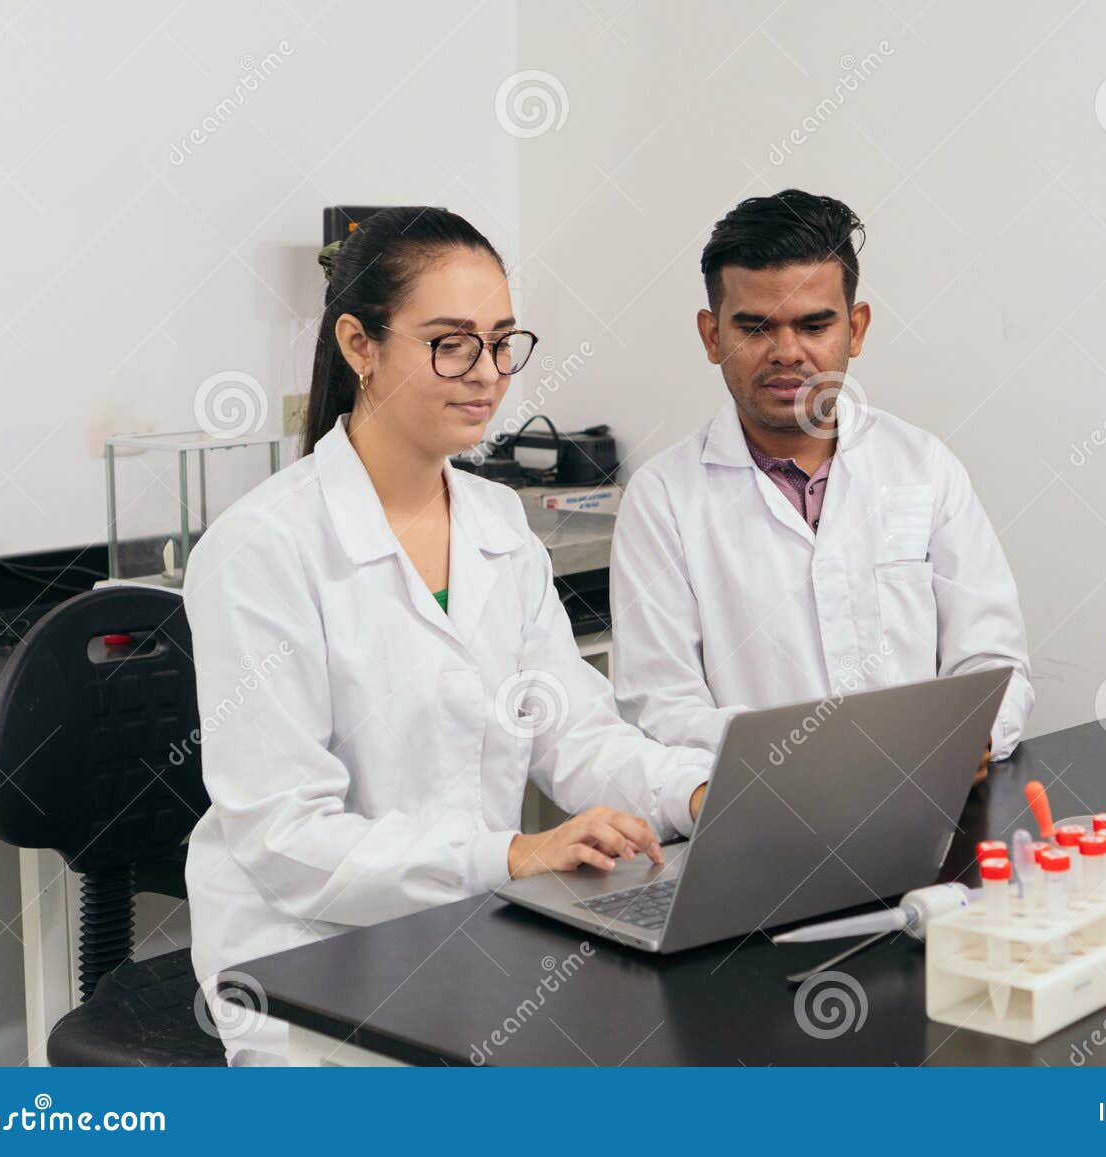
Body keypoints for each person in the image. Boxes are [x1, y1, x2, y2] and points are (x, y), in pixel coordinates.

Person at [182, 207, 710, 1066]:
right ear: (360, 344)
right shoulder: (263, 548)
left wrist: (700, 793)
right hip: (308, 963)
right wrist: (513, 852)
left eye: (502, 342)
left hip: (468, 935)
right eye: (451, 343)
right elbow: (287, 840)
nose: (488, 374)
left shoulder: (499, 523)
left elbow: (574, 729)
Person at [610, 190, 1034, 767]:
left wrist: (972, 734)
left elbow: (992, 661)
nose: (787, 352)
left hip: (932, 804)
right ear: (713, 336)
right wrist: (825, 757)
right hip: (762, 817)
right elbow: (660, 708)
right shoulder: (663, 499)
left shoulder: (923, 466)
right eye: (755, 327)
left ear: (855, 329)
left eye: (814, 324)